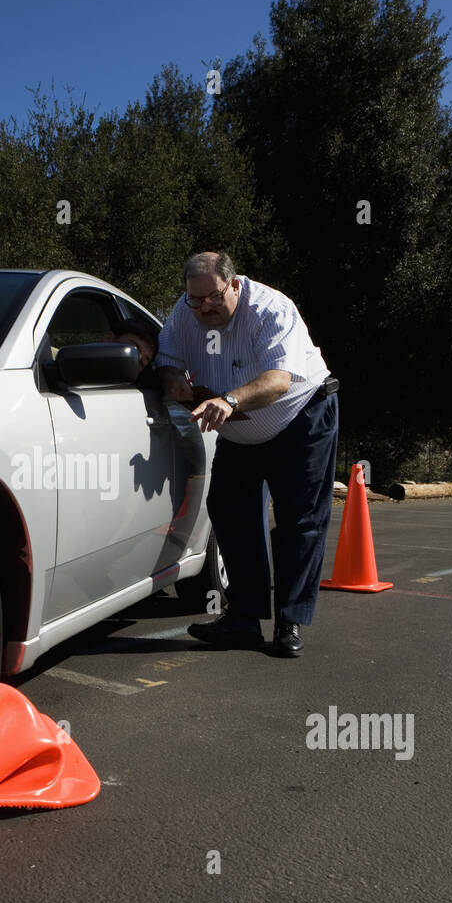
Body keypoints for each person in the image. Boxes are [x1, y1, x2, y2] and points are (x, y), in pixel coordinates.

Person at [155, 251, 339, 657]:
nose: (205, 309)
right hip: (240, 430)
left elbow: (277, 381)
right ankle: (243, 619)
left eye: (214, 298)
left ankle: (289, 621)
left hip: (299, 417)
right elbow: (167, 360)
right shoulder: (183, 314)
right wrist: (175, 383)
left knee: (299, 520)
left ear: (234, 284)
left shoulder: (272, 309)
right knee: (230, 513)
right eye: (195, 300)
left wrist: (231, 401)